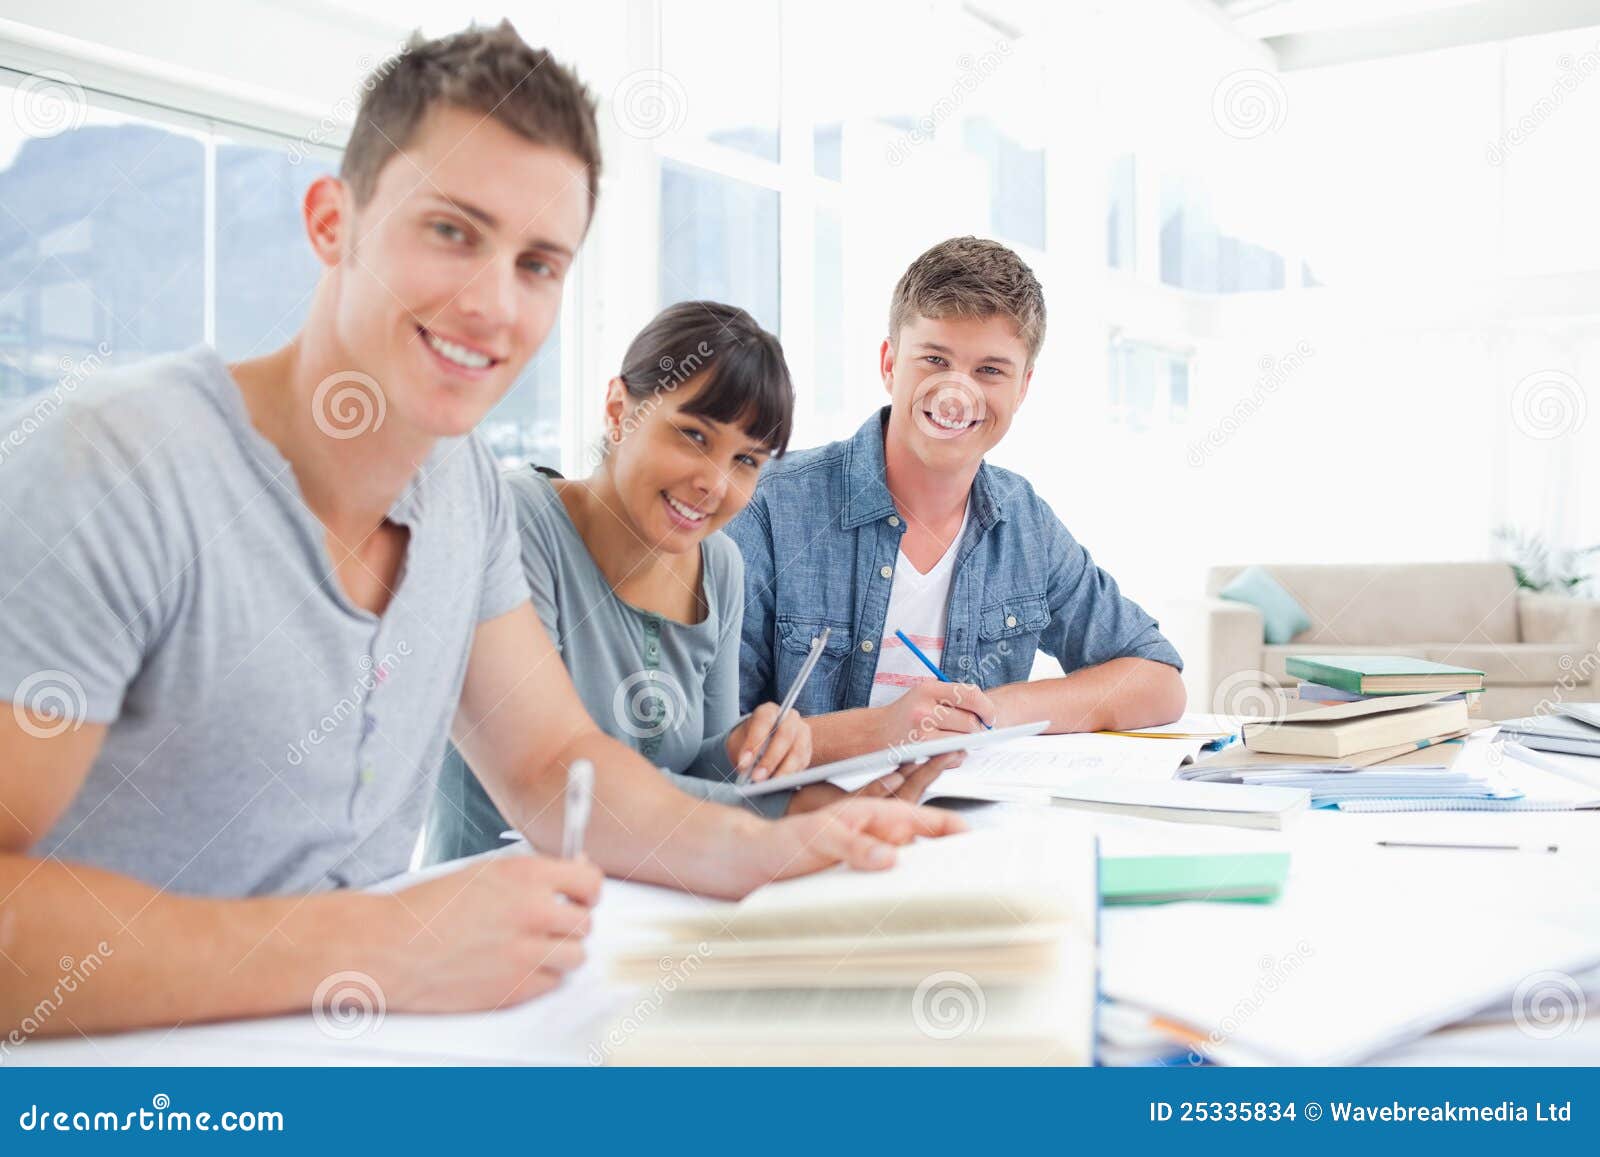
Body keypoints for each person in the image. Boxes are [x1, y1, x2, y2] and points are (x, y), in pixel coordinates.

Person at [0, 23, 962, 1040]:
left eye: (539, 263)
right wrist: (373, 944)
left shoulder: (457, 486)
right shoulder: (111, 462)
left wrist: (767, 849)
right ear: (334, 221)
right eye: (452, 231)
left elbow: (552, 765)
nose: (493, 304)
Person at [425, 301, 954, 863]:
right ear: (617, 409)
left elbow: (692, 774)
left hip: (652, 889)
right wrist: (800, 809)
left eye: (747, 461)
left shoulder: (719, 566)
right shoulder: (517, 524)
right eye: (694, 437)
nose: (714, 484)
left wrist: (743, 747)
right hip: (498, 897)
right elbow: (557, 780)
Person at [726, 236, 1186, 779]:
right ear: (889, 363)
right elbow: (713, 742)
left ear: (1023, 388)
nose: (956, 394)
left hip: (966, 828)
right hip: (805, 836)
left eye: (991, 371)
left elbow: (1158, 680)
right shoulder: (768, 506)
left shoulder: (1024, 523)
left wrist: (997, 711)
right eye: (935, 359)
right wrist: (885, 731)